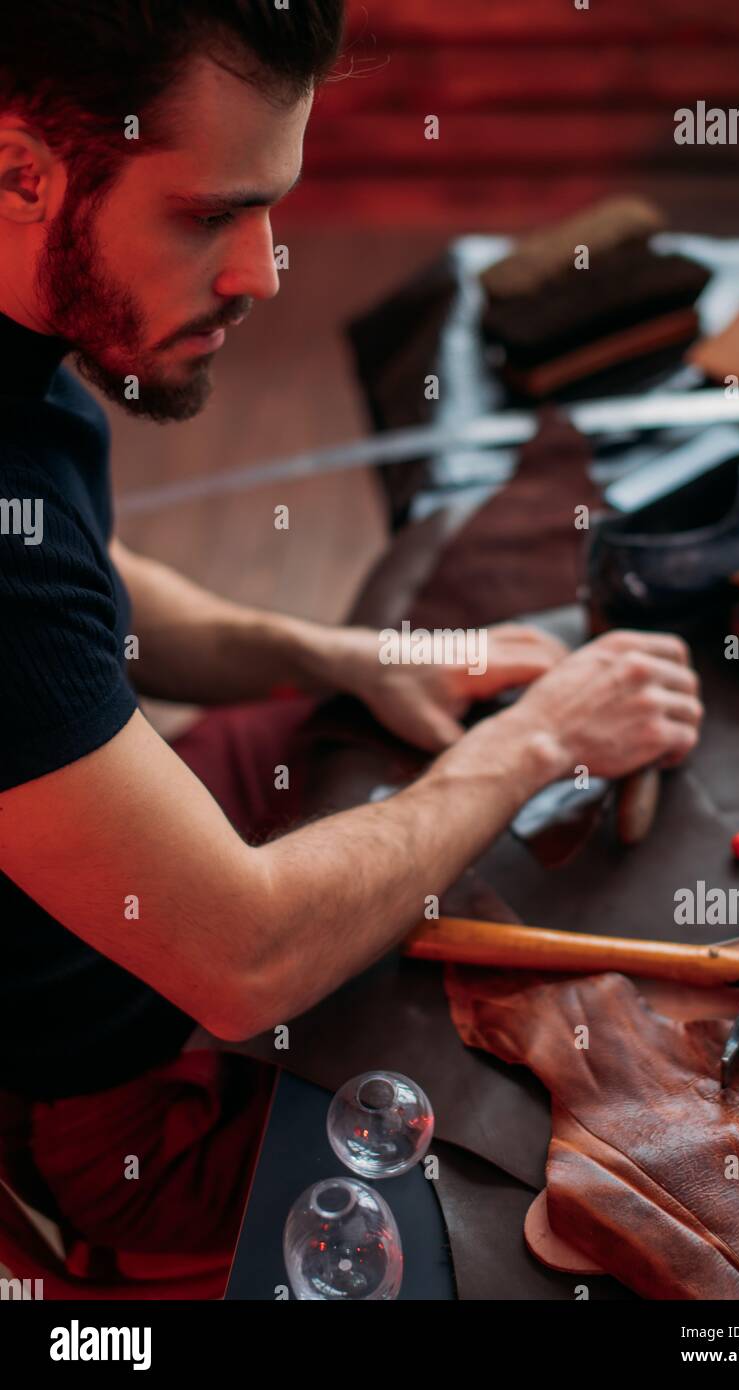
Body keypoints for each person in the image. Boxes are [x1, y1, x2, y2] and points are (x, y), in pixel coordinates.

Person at [0, 1, 703, 1292]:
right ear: (19, 170)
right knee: (574, 1191)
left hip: (138, 904)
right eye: (209, 214)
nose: (263, 272)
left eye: (269, 208)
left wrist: (340, 653)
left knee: (361, 744)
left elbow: (80, 575)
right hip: (123, 1114)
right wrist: (538, 741)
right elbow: (241, 955)